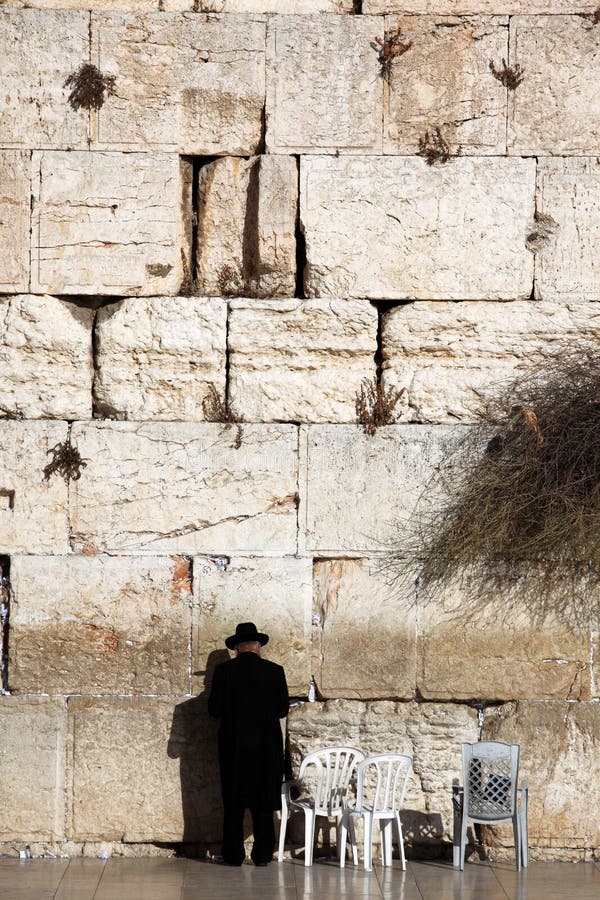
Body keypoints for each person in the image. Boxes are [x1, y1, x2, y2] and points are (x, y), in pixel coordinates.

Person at [208, 622, 289, 866]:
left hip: (234, 748)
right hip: (266, 749)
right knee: (264, 802)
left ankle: (233, 855)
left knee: (234, 804)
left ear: (236, 649)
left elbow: (214, 710)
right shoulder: (275, 671)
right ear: (258, 647)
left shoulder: (224, 672)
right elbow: (282, 709)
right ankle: (263, 855)